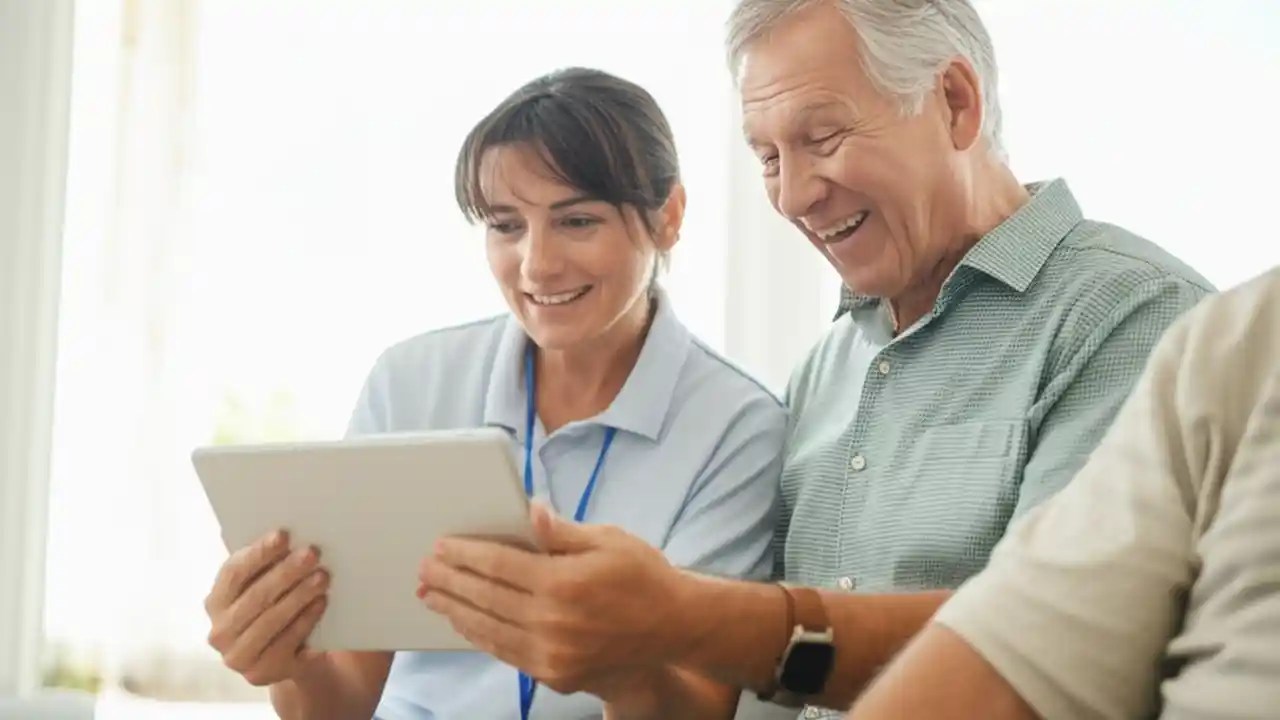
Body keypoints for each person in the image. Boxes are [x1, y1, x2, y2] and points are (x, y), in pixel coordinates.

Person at [415, 1, 1216, 718]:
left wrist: (683, 613)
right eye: (767, 157)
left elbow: (1051, 641)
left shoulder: (1134, 320)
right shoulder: (827, 369)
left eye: (821, 139)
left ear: (955, 103)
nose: (793, 196)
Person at [200, 67, 787, 720]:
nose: (537, 265)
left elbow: (698, 712)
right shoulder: (411, 384)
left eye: (576, 221)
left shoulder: (737, 426)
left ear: (669, 217)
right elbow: (339, 706)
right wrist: (290, 658)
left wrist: (618, 664)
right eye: (506, 226)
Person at [846, 266, 1280, 720]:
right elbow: (1018, 653)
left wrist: (784, 624)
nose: (794, 202)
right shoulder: (1235, 345)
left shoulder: (1137, 306)